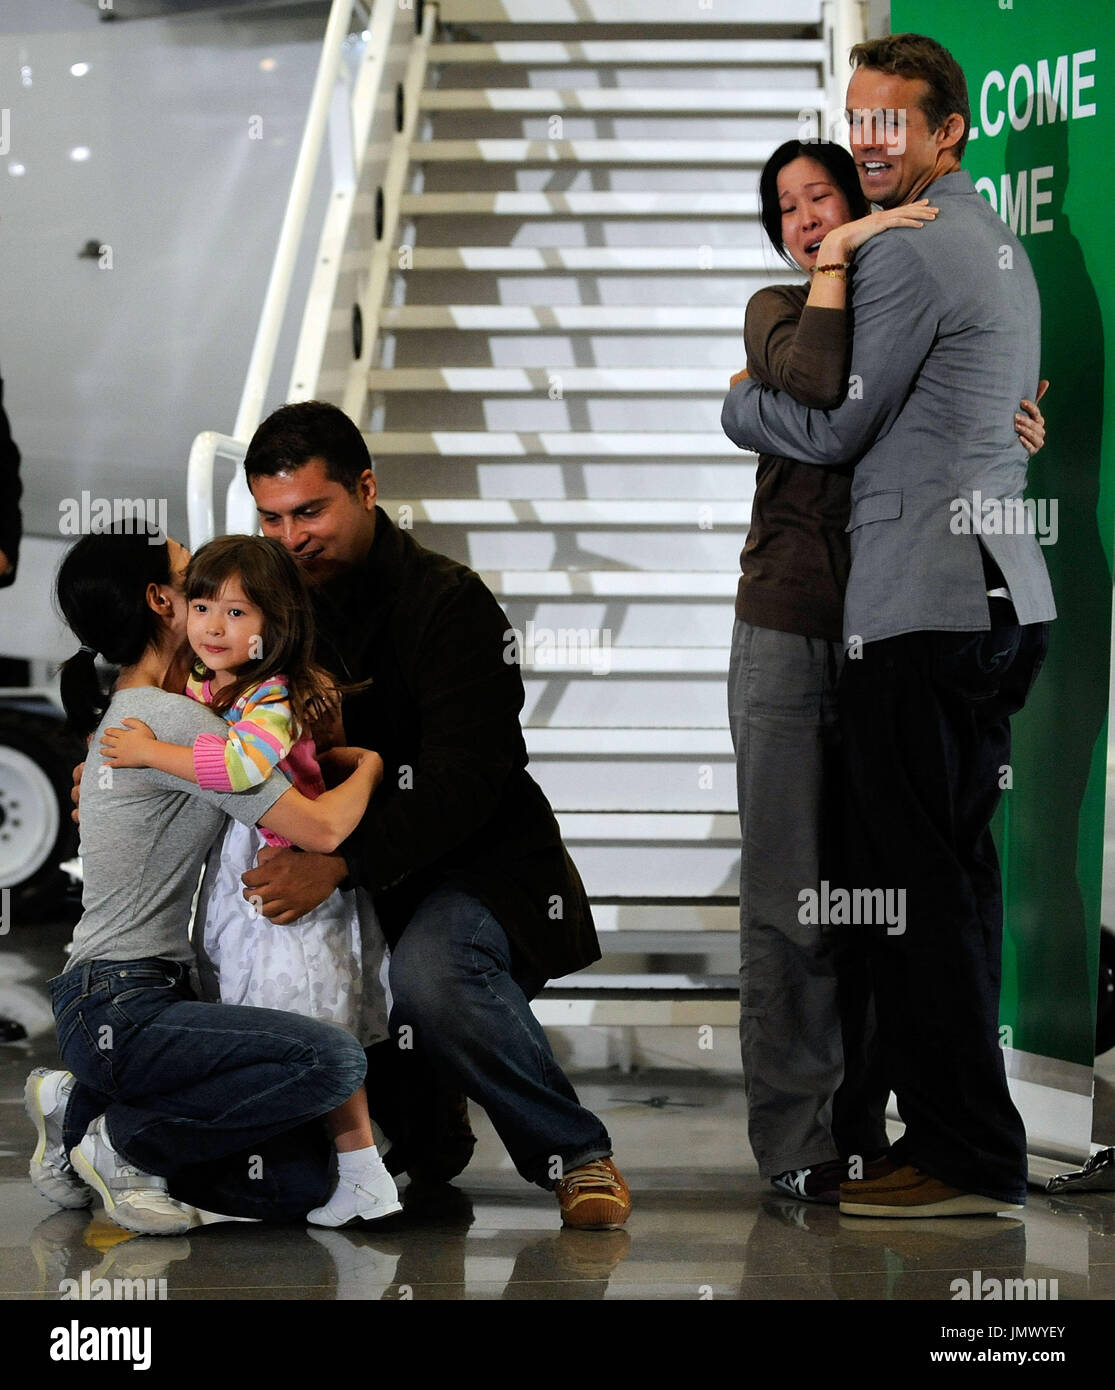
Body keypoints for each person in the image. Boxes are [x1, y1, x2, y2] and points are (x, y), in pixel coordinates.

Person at [723, 33, 1056, 1218]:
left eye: (881, 130)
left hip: (919, 604)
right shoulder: (989, 244)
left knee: (913, 897)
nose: (860, 156)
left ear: (944, 133)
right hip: (975, 595)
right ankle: (928, 1136)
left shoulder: (907, 257)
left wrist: (731, 408)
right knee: (934, 887)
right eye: (852, 124)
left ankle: (962, 1151)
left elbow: (827, 429)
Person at [225, 400, 631, 1231]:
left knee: (431, 981)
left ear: (367, 489)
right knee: (409, 1163)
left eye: (310, 511)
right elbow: (173, 662)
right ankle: (427, 1111)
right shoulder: (266, 601)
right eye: (271, 517)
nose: (291, 536)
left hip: (472, 870)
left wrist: (337, 862)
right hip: (347, 880)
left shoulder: (449, 601)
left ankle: (576, 1157)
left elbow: (470, 774)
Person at [26, 528, 380, 1236]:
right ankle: (121, 1139)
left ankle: (81, 1110)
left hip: (118, 997)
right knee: (332, 1058)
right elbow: (319, 831)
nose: (214, 613)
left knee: (294, 1184)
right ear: (163, 602)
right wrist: (369, 765)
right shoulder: (177, 725)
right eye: (196, 587)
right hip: (124, 1004)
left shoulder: (137, 716)